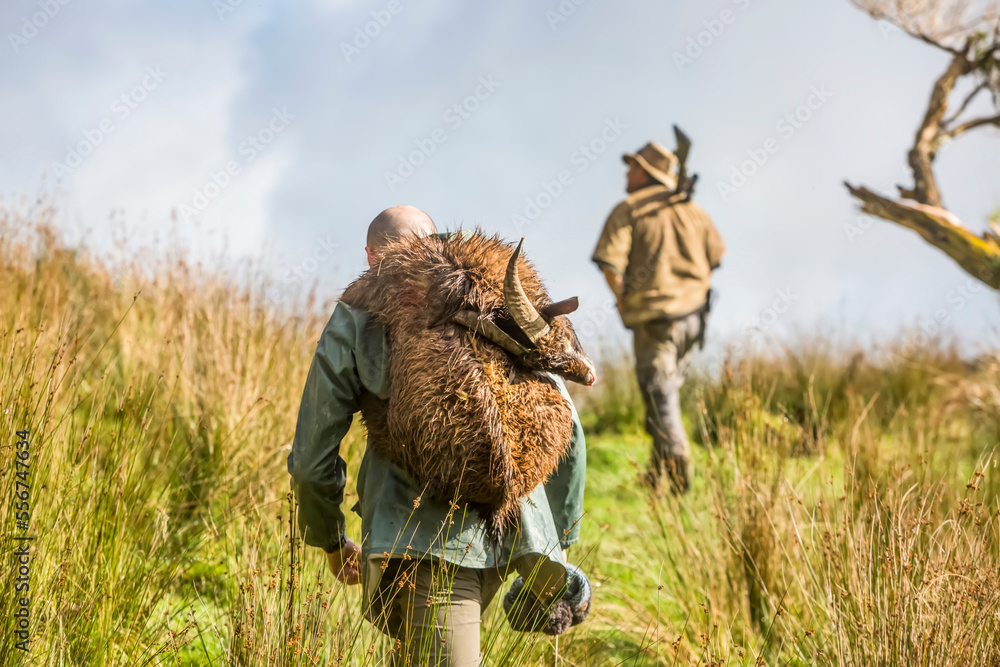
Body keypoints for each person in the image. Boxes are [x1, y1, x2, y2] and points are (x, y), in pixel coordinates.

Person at [288, 205, 587, 666]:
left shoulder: (359, 313)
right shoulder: (494, 291)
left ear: (370, 256)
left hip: (419, 539)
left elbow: (311, 459)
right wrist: (559, 541)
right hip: (514, 531)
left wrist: (330, 540)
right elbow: (568, 428)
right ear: (436, 237)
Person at [591, 142, 726, 493]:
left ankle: (679, 464)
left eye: (632, 166)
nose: (626, 172)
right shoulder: (694, 210)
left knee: (658, 391)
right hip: (696, 318)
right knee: (665, 393)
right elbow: (715, 258)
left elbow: (609, 264)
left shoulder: (629, 209)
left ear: (647, 173)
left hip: (657, 320)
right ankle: (655, 476)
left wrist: (623, 301)